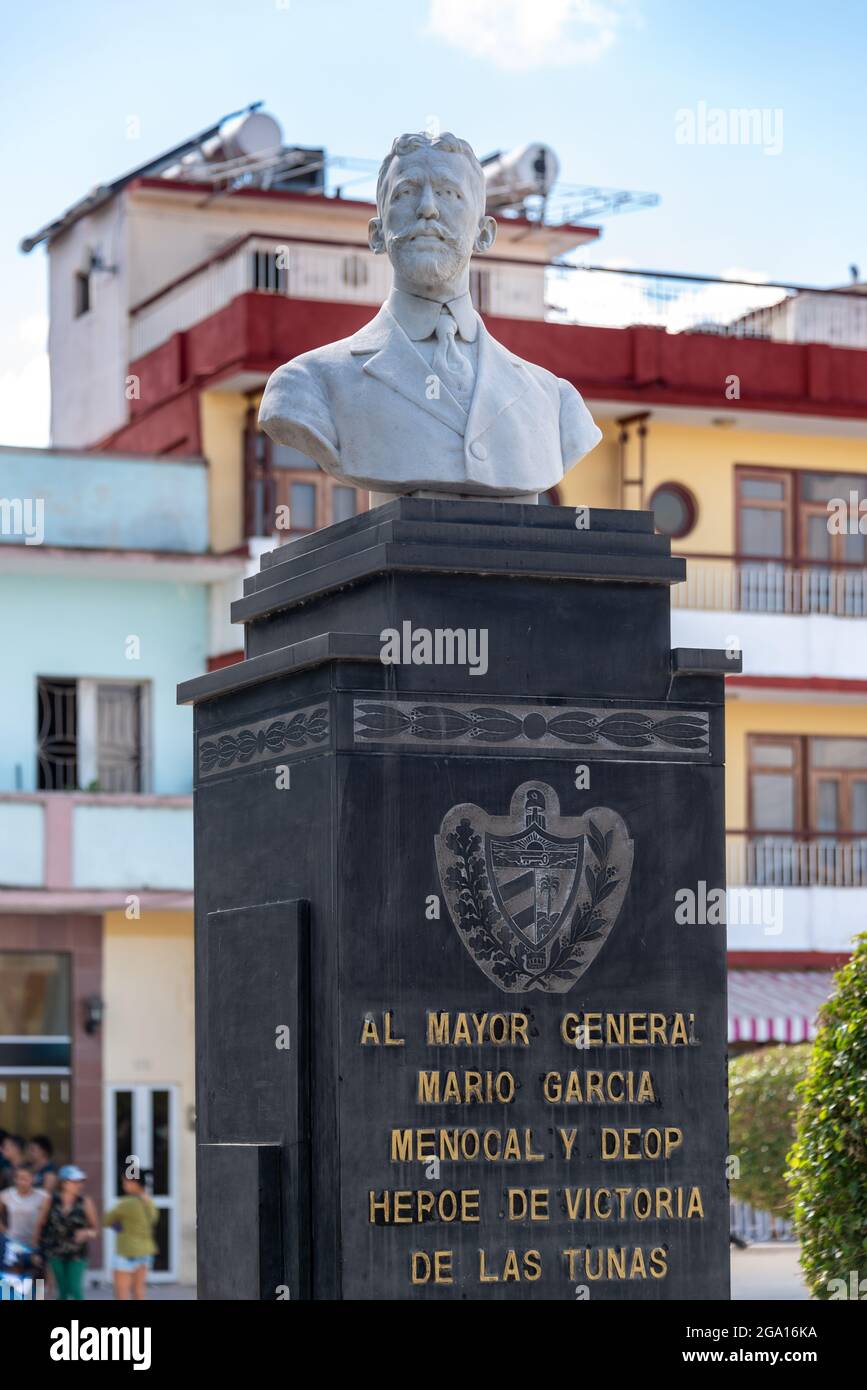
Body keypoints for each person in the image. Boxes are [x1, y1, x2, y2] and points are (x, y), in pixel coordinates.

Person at [259, 130, 601, 502]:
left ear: (484, 234)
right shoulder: (308, 386)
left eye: (449, 194)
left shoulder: (555, 402)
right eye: (405, 194)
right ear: (376, 234)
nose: (427, 208)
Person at [33, 1164, 98, 1301]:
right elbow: (40, 1225)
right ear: (64, 1183)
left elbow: (95, 1229)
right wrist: (36, 1250)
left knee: (74, 1288)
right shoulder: (51, 1201)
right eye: (74, 1182)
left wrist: (87, 1233)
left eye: (80, 1181)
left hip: (77, 1253)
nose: (78, 1185)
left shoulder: (85, 1202)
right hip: (55, 1250)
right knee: (63, 1290)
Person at [103, 1172, 158, 1300]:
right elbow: (153, 1221)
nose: (123, 1185)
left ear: (135, 1183)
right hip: (145, 1252)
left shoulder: (126, 1203)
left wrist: (119, 1228)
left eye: (125, 1182)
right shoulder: (149, 1202)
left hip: (126, 1252)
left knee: (121, 1294)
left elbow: (106, 1220)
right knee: (139, 1292)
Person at [0, 1163, 49, 1276]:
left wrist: (36, 1240)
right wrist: (3, 1230)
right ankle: (11, 1294)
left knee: (36, 1276)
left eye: (26, 1178)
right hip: (13, 1242)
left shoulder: (43, 1196)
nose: (22, 1181)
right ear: (15, 1179)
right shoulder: (6, 1195)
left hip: (33, 1243)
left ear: (32, 1179)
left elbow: (42, 1221)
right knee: (11, 1275)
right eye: (19, 1178)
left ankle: (38, 1294)